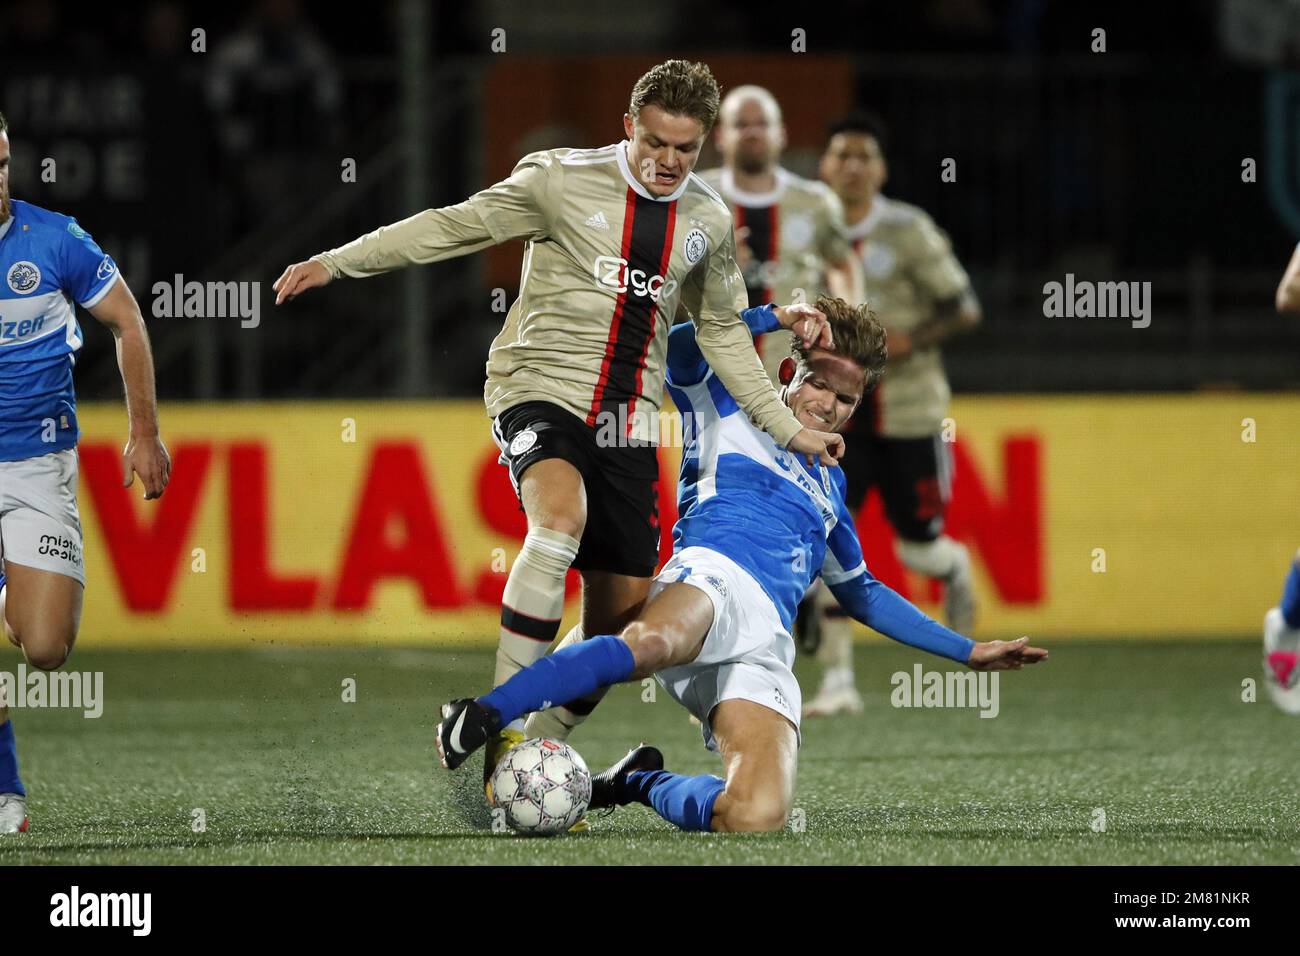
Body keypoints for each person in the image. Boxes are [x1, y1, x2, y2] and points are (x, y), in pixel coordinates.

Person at [272, 60, 843, 797]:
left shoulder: (704, 222)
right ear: (629, 126)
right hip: (537, 389)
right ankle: (497, 735)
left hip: (630, 421)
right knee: (558, 520)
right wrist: (337, 263)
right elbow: (452, 227)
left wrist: (785, 428)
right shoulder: (558, 180)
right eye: (658, 144)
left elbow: (724, 335)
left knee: (620, 625)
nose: (670, 163)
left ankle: (529, 766)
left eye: (687, 150)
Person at [435, 296, 1047, 832]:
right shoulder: (724, 401)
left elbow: (863, 594)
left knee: (755, 815)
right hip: (709, 579)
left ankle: (632, 784)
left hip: (761, 645)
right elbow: (680, 346)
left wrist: (966, 651)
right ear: (789, 370)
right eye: (819, 385)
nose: (829, 406)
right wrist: (774, 315)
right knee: (650, 641)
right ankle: (489, 713)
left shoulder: (830, 492)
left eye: (846, 400)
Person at [0, 111, 172, 833]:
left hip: (38, 463)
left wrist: (144, 433)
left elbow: (129, 321)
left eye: (1, 160)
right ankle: (7, 788)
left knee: (45, 649)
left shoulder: (56, 239)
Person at [800, 111, 984, 717]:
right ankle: (839, 682)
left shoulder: (909, 230)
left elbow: (964, 309)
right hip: (834, 417)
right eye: (841, 155)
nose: (852, 167)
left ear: (880, 170)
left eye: (864, 157)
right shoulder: (804, 227)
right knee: (827, 544)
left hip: (907, 413)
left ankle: (953, 568)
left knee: (917, 552)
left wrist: (914, 337)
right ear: (825, 164)